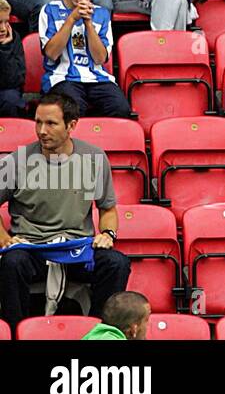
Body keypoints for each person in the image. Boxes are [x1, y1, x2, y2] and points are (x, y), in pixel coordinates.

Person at [0, 90, 131, 330]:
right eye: (38, 122)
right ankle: (15, 331)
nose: (41, 130)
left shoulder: (94, 158)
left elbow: (108, 210)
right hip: (32, 249)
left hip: (76, 249)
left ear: (71, 125)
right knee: (12, 262)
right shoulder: (17, 161)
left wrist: (107, 234)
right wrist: (5, 238)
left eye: (51, 123)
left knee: (116, 263)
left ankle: (99, 331)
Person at [37, 0, 127, 117]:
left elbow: (100, 59)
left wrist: (88, 23)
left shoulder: (102, 14)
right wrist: (72, 19)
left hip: (97, 79)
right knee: (74, 109)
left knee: (120, 108)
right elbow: (51, 53)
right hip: (61, 78)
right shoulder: (50, 10)